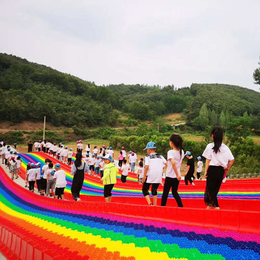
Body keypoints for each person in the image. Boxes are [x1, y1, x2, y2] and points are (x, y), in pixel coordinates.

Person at [203, 126, 234, 209]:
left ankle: (216, 207)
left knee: (210, 190)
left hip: (212, 170)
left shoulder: (209, 146)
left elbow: (208, 160)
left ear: (212, 136)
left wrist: (205, 171)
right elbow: (232, 160)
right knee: (215, 190)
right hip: (220, 171)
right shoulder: (225, 148)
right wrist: (227, 168)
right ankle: (209, 206)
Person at [161, 134, 184, 207]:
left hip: (170, 176)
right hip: (177, 177)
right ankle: (180, 206)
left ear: (171, 143)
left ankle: (162, 207)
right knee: (174, 192)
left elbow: (173, 163)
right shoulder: (182, 152)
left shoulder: (170, 152)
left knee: (165, 193)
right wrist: (178, 174)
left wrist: (176, 173)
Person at [142, 141, 166, 206]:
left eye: (147, 149)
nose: (147, 151)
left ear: (149, 149)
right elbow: (166, 164)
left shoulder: (147, 156)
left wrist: (144, 177)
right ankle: (155, 205)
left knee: (144, 189)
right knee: (154, 190)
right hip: (158, 176)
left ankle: (150, 203)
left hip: (150, 175)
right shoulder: (160, 156)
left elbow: (146, 167)